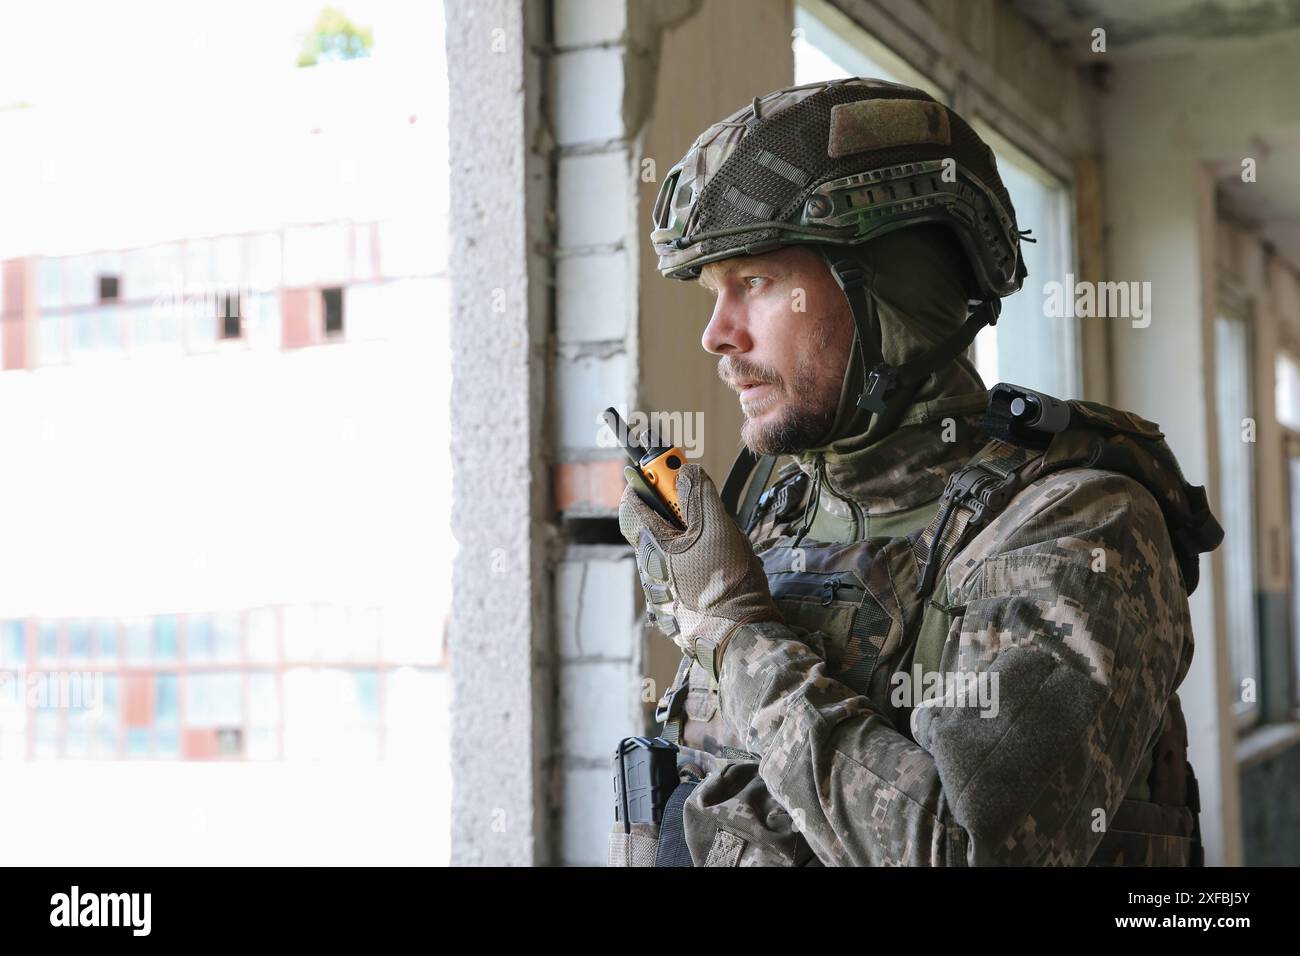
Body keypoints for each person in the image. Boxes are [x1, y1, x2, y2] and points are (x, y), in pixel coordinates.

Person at [609, 77, 1220, 867]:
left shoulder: (1076, 526)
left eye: (754, 283)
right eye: (711, 293)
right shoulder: (780, 505)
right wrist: (699, 604)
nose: (717, 335)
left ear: (893, 289)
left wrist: (733, 633)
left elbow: (966, 852)